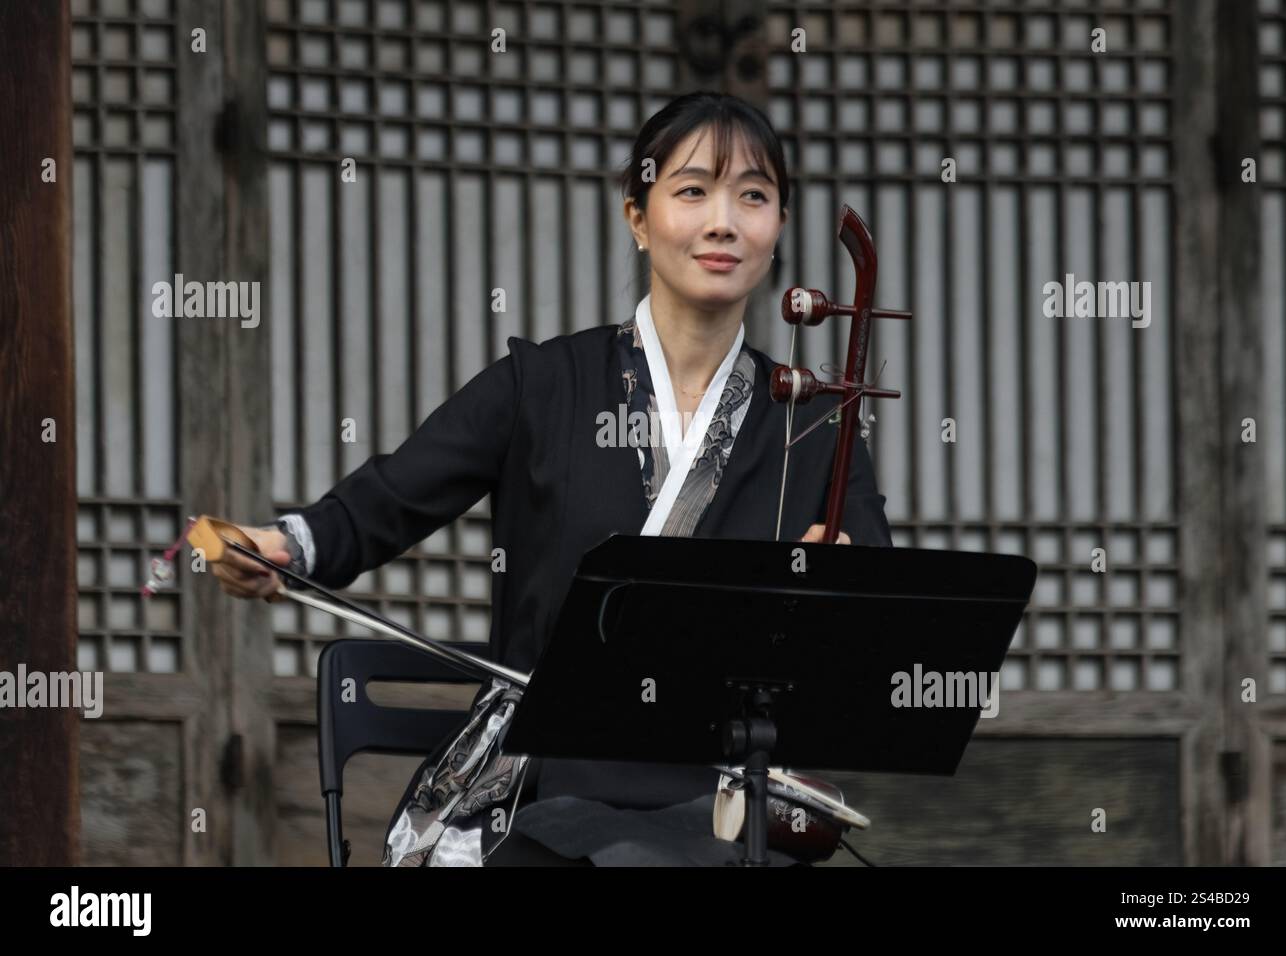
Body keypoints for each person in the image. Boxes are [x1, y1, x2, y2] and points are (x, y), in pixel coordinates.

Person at [212, 90, 893, 865]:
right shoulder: (543, 384)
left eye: (754, 196)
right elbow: (393, 497)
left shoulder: (813, 422)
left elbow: (874, 600)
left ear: (776, 229)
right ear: (637, 216)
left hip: (722, 793)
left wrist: (841, 579)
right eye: (692, 189)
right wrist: (289, 546)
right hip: (542, 781)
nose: (723, 222)